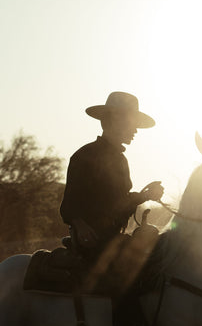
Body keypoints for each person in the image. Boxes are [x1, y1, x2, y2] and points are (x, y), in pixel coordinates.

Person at [59, 91, 164, 261]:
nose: (136, 130)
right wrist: (80, 225)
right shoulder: (85, 156)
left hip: (111, 239)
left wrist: (145, 196)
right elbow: (69, 205)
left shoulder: (120, 159)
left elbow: (119, 202)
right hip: (93, 243)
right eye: (132, 123)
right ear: (116, 120)